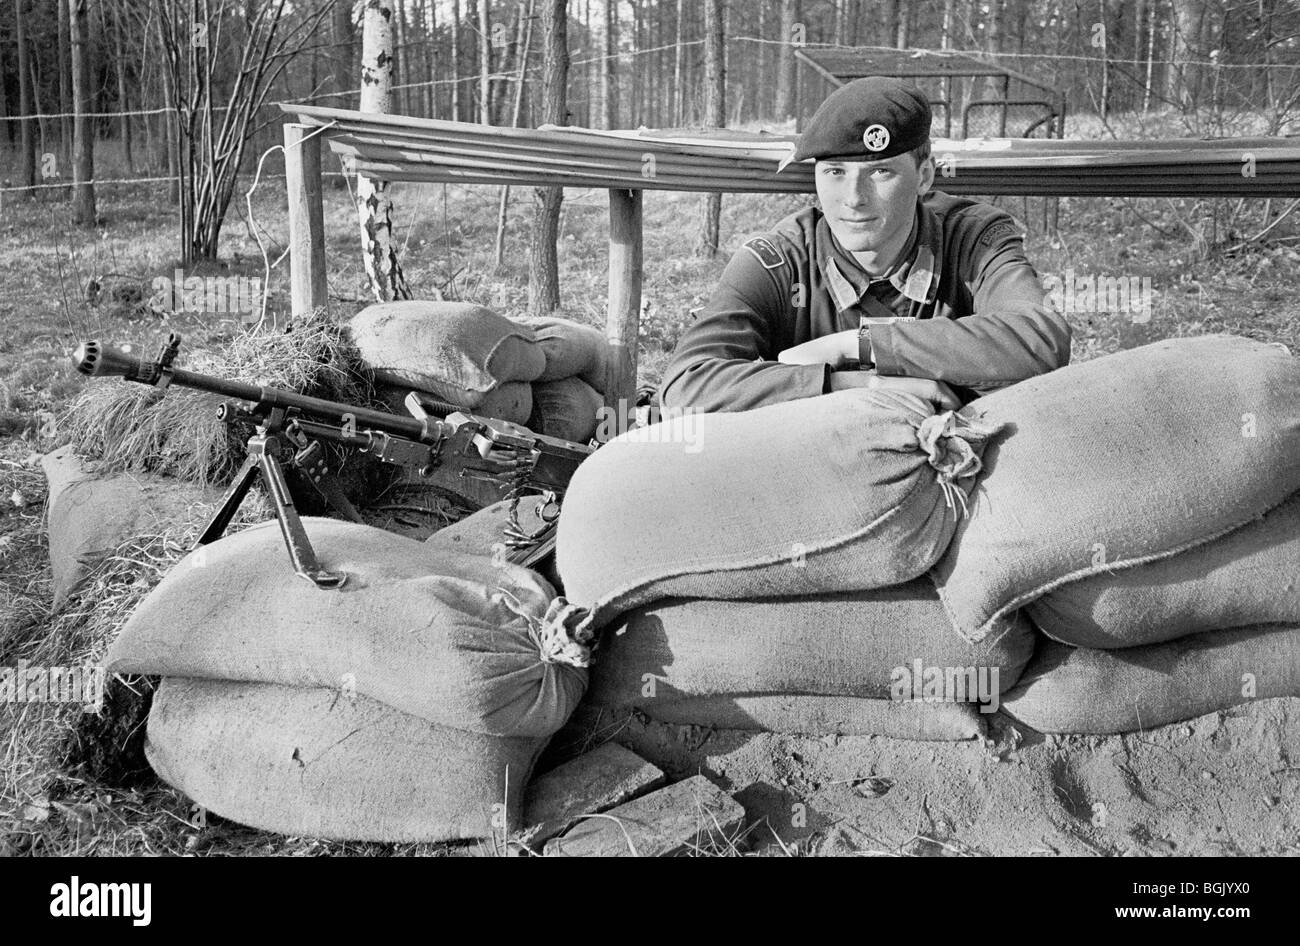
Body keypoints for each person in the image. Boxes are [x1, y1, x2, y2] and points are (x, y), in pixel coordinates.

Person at [658, 76, 1072, 415]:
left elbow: (1039, 339)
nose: (853, 198)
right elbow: (685, 386)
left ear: (924, 176)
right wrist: (842, 384)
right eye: (835, 171)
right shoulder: (779, 261)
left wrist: (858, 344)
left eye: (880, 173)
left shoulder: (973, 239)